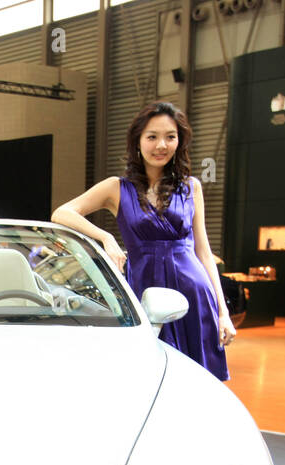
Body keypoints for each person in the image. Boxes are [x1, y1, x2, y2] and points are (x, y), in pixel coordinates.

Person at [51, 100, 234, 380]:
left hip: (193, 293)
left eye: (170, 137)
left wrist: (223, 312)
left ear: (179, 142)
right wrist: (105, 237)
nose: (161, 145)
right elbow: (62, 213)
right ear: (138, 141)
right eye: (152, 137)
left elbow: (203, 252)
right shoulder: (116, 188)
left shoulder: (191, 187)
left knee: (198, 380)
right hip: (144, 291)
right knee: (147, 375)